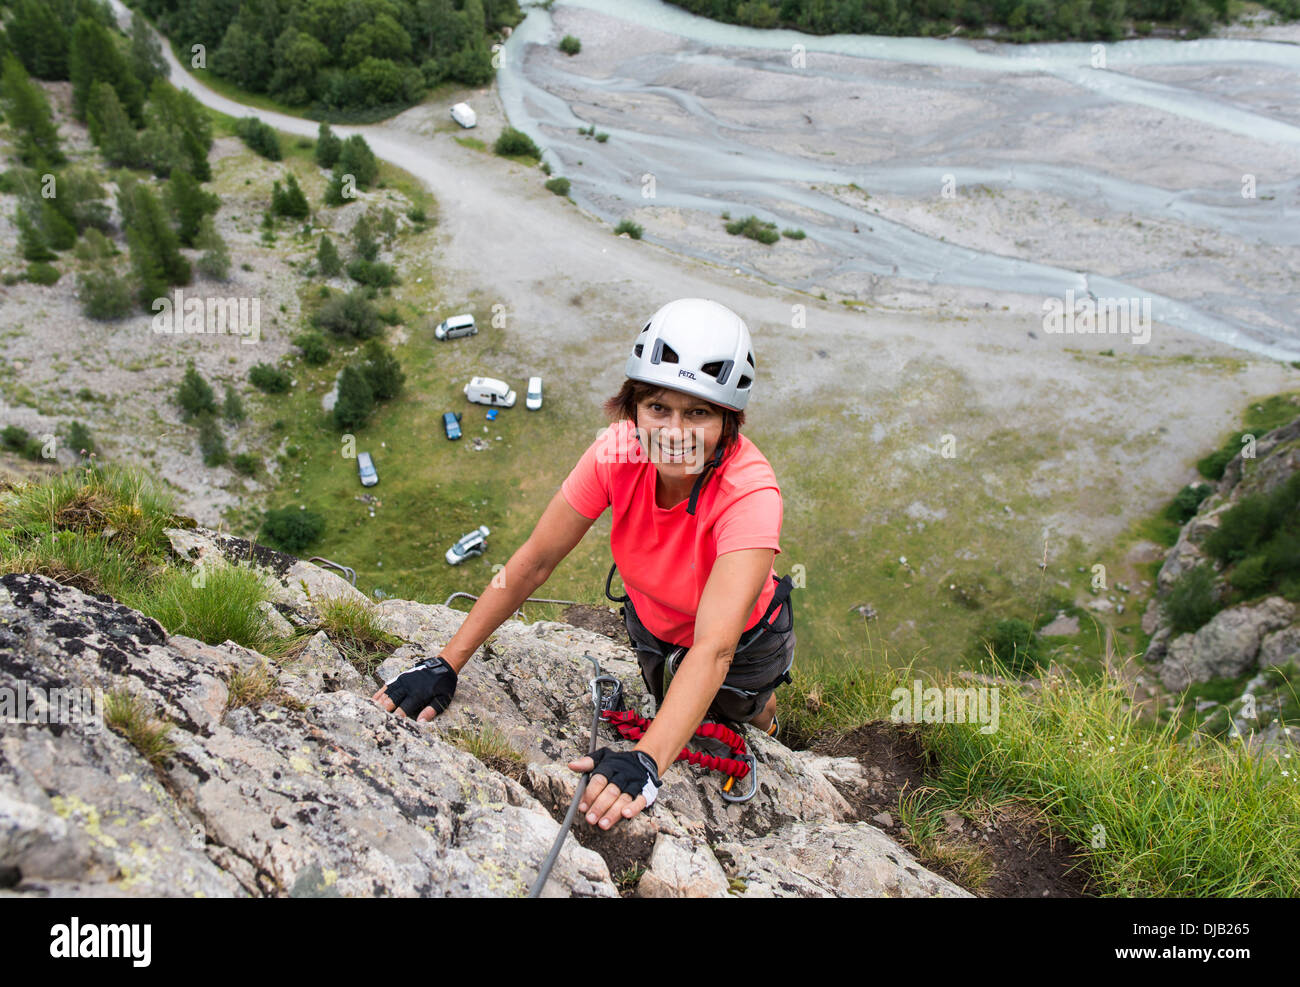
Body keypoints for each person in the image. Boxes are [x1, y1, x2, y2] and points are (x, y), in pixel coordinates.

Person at [373, 297, 795, 832]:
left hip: (745, 640)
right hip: (653, 623)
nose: (674, 432)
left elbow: (715, 646)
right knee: (669, 696)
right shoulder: (616, 453)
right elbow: (534, 560)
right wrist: (446, 663)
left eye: (699, 412)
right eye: (658, 408)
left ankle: (772, 720)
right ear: (633, 405)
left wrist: (646, 760)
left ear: (729, 420)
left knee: (743, 710)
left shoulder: (750, 492)